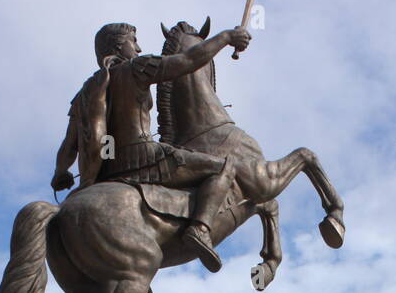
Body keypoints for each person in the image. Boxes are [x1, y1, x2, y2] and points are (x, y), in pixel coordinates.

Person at [51, 20, 251, 272]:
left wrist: (61, 173)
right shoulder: (137, 68)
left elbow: (68, 146)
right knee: (225, 168)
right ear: (118, 46)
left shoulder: (85, 92)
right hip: (144, 158)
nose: (138, 47)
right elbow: (188, 61)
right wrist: (226, 37)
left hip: (106, 175)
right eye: (132, 41)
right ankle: (200, 229)